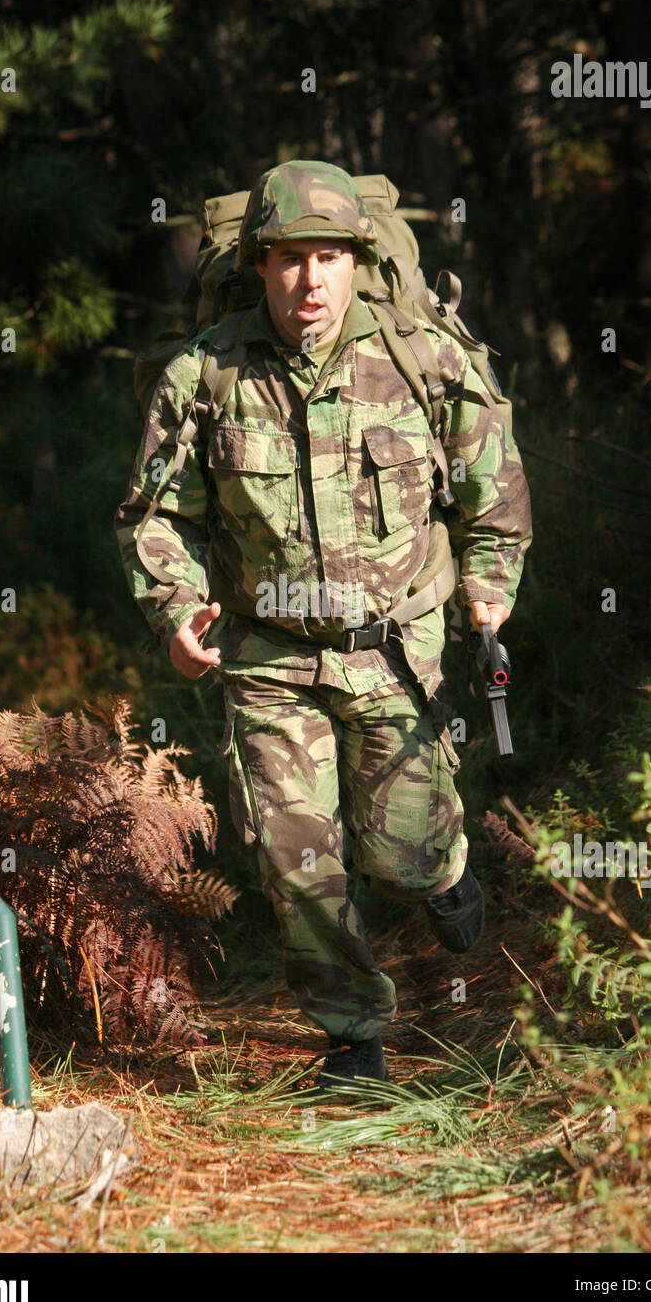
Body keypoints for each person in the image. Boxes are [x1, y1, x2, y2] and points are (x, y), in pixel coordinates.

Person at [115, 160, 532, 1097]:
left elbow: (492, 487)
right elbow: (154, 517)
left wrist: (490, 584)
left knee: (400, 847)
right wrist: (177, 613)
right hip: (268, 657)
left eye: (330, 259)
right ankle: (353, 1041)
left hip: (392, 647)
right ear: (260, 265)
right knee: (298, 861)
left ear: (358, 261)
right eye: (291, 259)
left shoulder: (424, 360)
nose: (311, 282)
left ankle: (441, 870)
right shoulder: (206, 373)